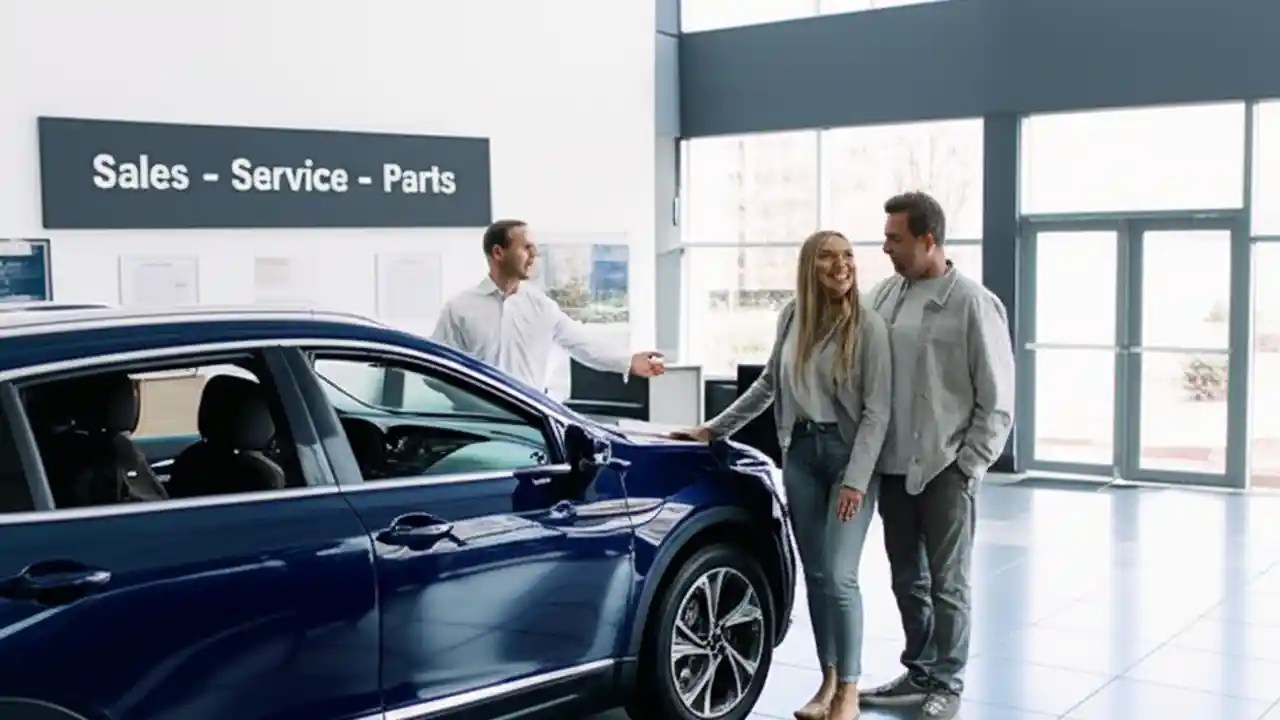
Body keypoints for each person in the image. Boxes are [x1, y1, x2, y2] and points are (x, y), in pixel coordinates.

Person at [674, 230, 891, 720]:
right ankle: (828, 681)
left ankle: (851, 690)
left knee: (839, 575)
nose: (842, 266)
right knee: (815, 576)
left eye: (849, 256)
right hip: (802, 456)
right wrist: (713, 430)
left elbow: (878, 412)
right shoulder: (792, 316)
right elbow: (770, 384)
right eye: (829, 258)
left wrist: (857, 479)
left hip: (849, 456)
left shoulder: (869, 326)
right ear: (808, 268)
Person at [857, 192, 1015, 720]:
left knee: (949, 583)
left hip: (946, 470)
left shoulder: (974, 303)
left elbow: (997, 399)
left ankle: (947, 681)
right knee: (907, 578)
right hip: (893, 467)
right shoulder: (882, 296)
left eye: (895, 239)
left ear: (929, 240)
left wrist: (968, 466)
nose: (886, 249)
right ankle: (919, 670)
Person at [431, 219, 665, 394]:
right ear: (498, 252)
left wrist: (628, 361)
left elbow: (582, 344)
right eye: (526, 248)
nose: (535, 255)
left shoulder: (541, 306)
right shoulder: (459, 309)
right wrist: (466, 400)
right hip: (478, 423)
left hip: (529, 424)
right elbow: (435, 371)